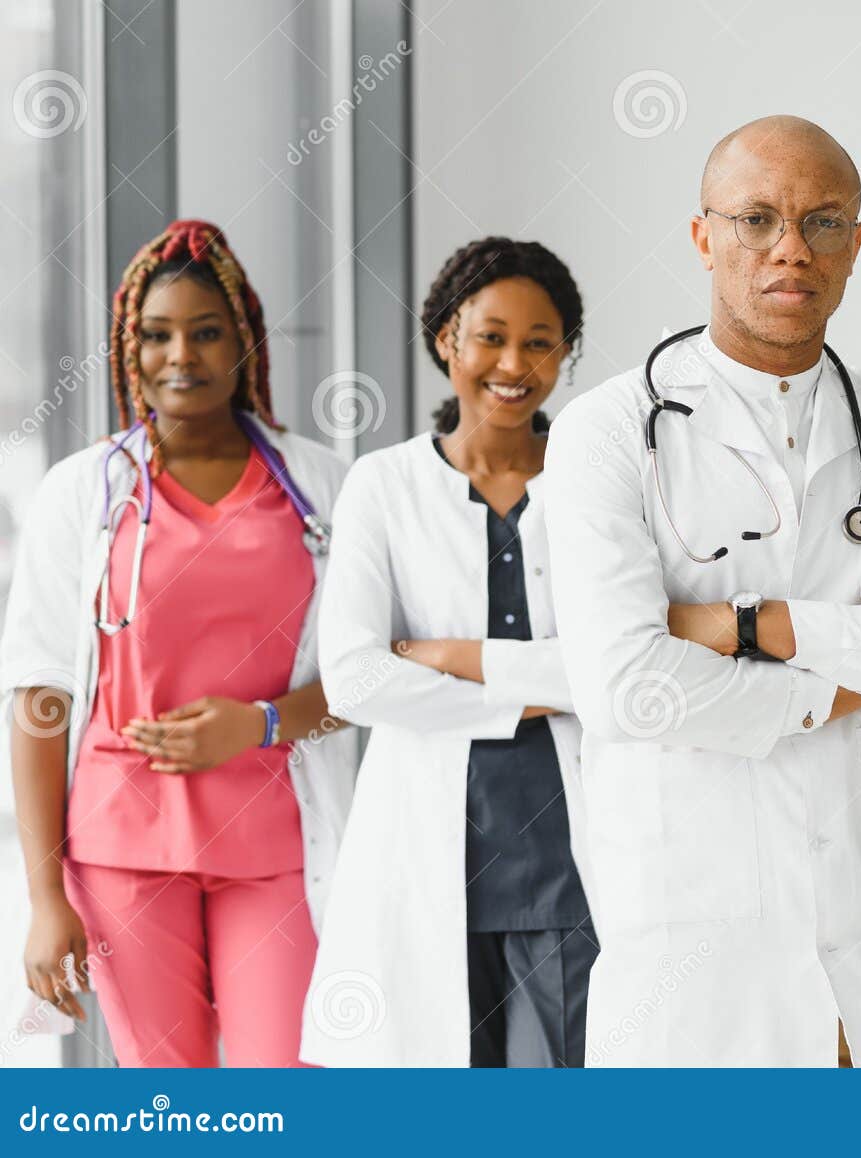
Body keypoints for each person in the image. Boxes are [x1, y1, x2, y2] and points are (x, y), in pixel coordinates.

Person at [543, 115, 861, 1066]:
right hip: (697, 945)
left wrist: (748, 625)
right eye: (757, 219)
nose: (789, 250)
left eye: (823, 221)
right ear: (704, 236)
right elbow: (626, 688)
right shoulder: (608, 430)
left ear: (857, 244)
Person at [1, 219, 356, 1066]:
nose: (180, 356)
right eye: (156, 335)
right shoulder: (80, 493)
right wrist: (44, 898)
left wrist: (260, 723)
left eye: (205, 333)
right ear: (129, 348)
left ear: (245, 339)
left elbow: (365, 681)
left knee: (284, 1084)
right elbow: (40, 695)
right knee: (170, 1103)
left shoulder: (326, 486)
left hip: (275, 841)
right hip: (120, 846)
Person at [303, 238, 594, 1067]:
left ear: (565, 353)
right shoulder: (384, 486)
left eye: (540, 341)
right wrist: (543, 685)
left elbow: (622, 665)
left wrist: (449, 655)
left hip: (568, 859)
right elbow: (356, 679)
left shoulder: (594, 485)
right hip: (429, 849)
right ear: (446, 342)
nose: (513, 363)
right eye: (490, 336)